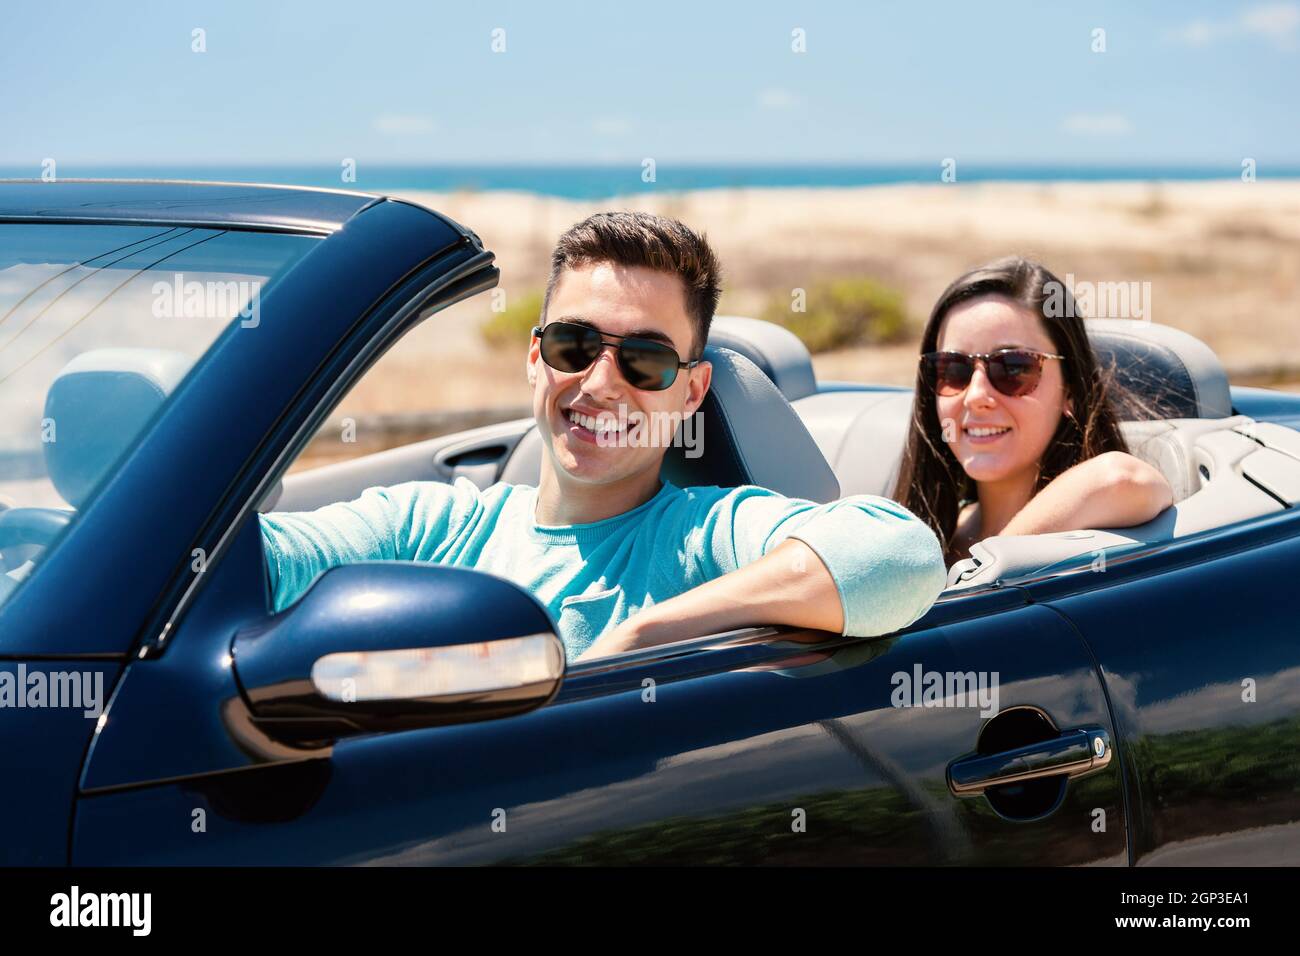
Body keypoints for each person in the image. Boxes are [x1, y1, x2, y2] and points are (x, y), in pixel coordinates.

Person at [261, 212, 946, 661]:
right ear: (535, 358)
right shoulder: (426, 525)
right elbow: (235, 564)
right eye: (574, 344)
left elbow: (898, 557)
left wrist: (649, 633)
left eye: (645, 361)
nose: (600, 383)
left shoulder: (702, 535)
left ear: (692, 391)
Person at [892, 256, 1172, 565]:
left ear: (1071, 391)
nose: (976, 395)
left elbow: (1122, 478)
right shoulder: (927, 541)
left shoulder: (1097, 518)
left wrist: (984, 571)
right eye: (952, 369)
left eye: (1013, 368)